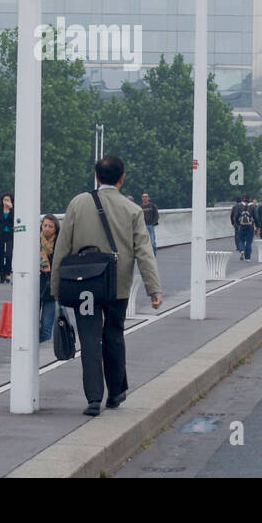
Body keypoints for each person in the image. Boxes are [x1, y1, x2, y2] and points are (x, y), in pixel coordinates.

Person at [51, 156, 162, 416]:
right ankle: (116, 393)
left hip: (84, 284)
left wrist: (56, 287)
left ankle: (93, 398)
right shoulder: (132, 210)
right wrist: (153, 289)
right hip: (117, 285)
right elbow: (144, 252)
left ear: (97, 177)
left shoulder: (77, 204)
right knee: (114, 334)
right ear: (122, 178)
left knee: (89, 339)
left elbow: (62, 248)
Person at [38, 214, 60, 343]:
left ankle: (37, 345)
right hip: (36, 287)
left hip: (51, 289)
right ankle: (31, 350)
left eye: (50, 226)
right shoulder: (34, 242)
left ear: (55, 229)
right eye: (44, 225)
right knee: (31, 324)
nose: (46, 228)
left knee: (46, 328)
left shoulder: (59, 244)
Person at [0, 194, 15, 284]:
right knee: (0, 256)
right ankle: (2, 276)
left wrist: (11, 209)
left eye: (8, 200)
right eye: (4, 200)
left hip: (9, 234)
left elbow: (16, 219)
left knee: (9, 254)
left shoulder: (13, 211)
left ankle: (7, 272)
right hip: (0, 235)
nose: (6, 202)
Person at [231, 196, 256, 261]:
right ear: (249, 200)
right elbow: (256, 217)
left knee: (241, 239)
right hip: (250, 226)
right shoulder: (253, 206)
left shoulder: (239, 206)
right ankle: (248, 258)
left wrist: (237, 224)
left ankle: (242, 250)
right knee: (249, 242)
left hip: (242, 226)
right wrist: (257, 226)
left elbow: (236, 217)